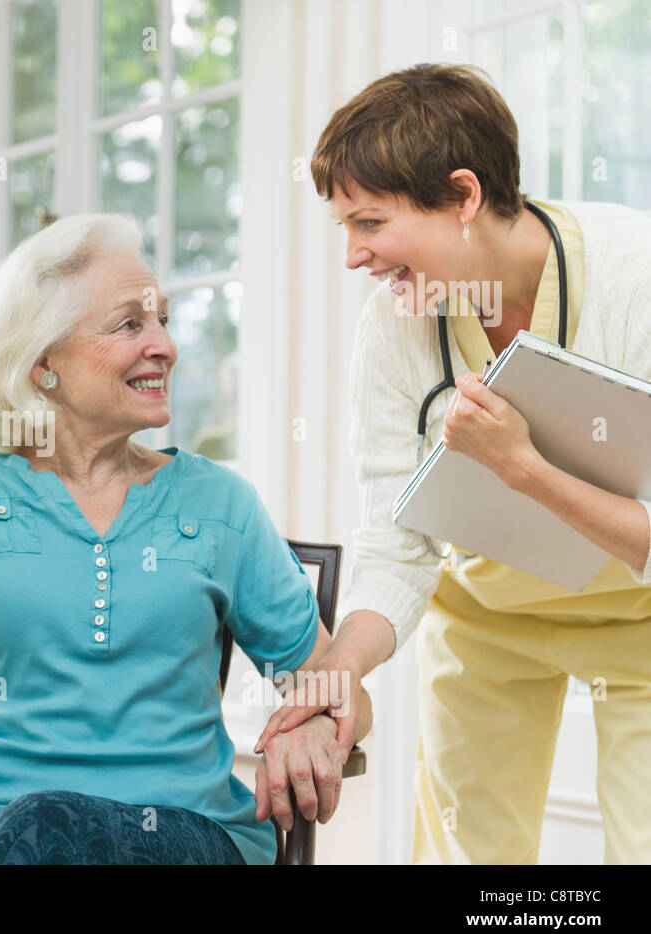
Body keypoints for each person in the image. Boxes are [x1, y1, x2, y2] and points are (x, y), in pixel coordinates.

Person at [0, 213, 374, 866]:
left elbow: (335, 683)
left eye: (161, 321)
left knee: (48, 820)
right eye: (130, 324)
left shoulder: (219, 503)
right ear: (43, 361)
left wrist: (319, 723)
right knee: (38, 827)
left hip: (184, 838)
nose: (164, 346)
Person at [258, 64, 651, 864]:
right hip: (485, 621)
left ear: (464, 195)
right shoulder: (395, 329)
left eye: (369, 223)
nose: (353, 256)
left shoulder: (633, 277)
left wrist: (523, 468)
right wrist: (341, 672)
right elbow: (395, 544)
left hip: (637, 622)